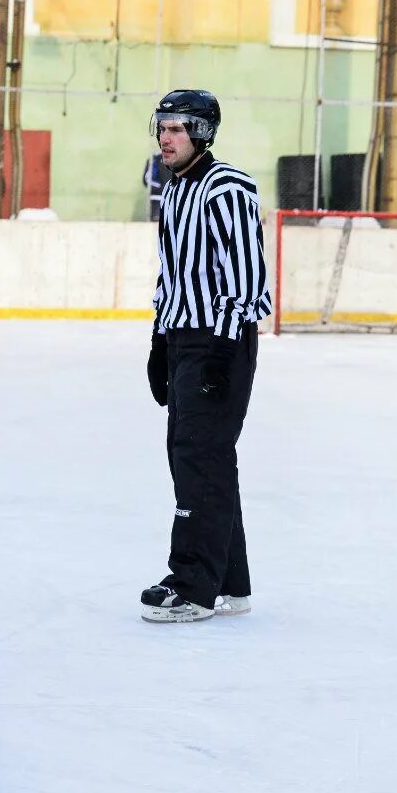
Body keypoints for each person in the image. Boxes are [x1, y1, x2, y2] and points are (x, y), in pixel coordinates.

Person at [141, 89, 271, 622]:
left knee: (200, 457)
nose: (164, 137)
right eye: (161, 126)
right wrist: (159, 339)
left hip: (219, 339)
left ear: (201, 133)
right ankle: (228, 583)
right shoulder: (175, 190)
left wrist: (220, 350)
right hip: (183, 340)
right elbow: (173, 274)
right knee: (199, 456)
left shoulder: (226, 187)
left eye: (176, 128)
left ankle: (193, 585)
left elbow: (248, 275)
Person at [142, 153, 171, 221]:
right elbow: (147, 180)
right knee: (156, 222)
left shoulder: (179, 158)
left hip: (175, 200)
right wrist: (161, 187)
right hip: (157, 199)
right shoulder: (154, 159)